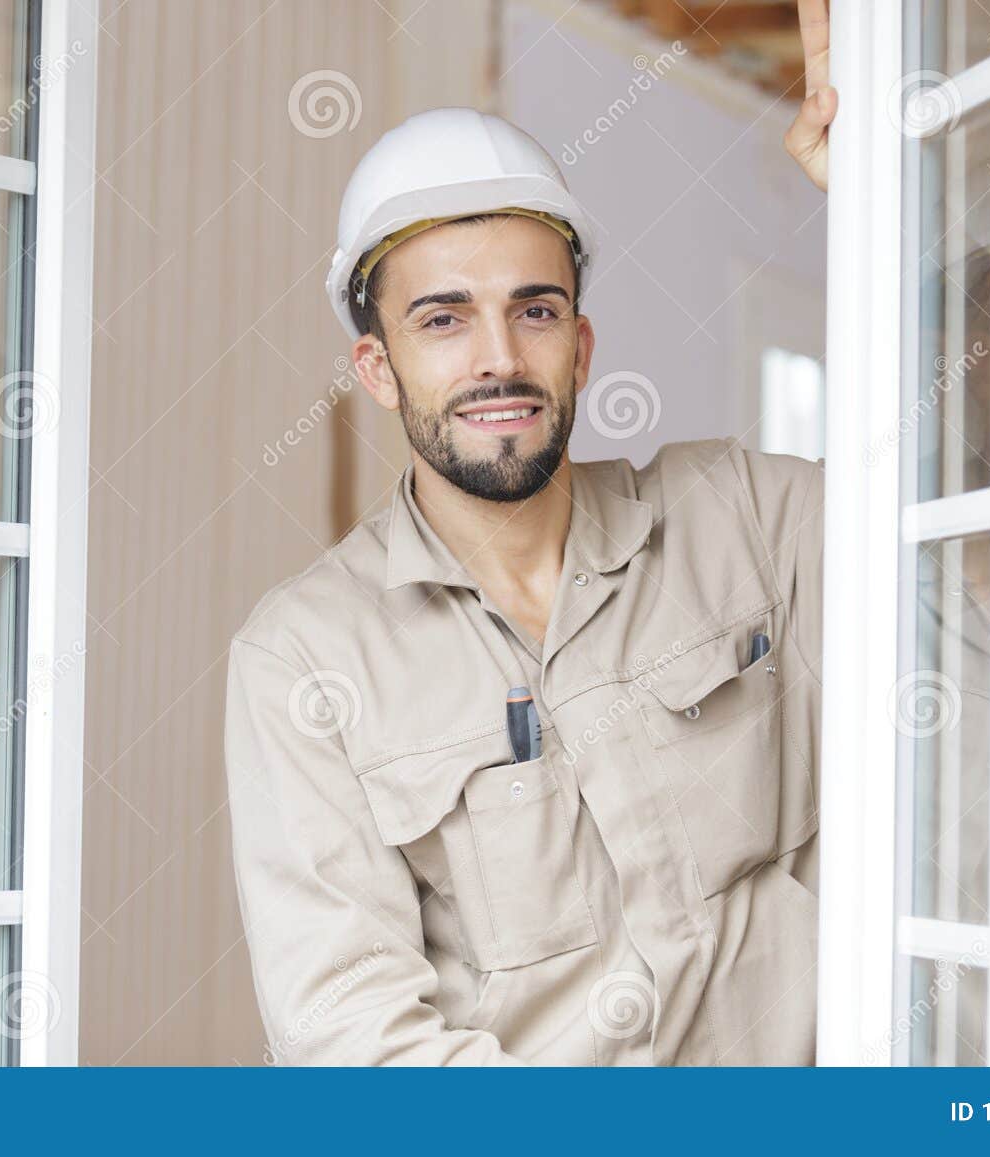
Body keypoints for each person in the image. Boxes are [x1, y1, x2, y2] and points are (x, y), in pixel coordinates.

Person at [222, 7, 840, 1066]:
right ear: (377, 368)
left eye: (536, 310)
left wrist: (886, 200)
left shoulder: (746, 516)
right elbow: (355, 1044)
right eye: (443, 318)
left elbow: (972, 510)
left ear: (582, 343)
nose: (498, 359)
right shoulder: (304, 657)